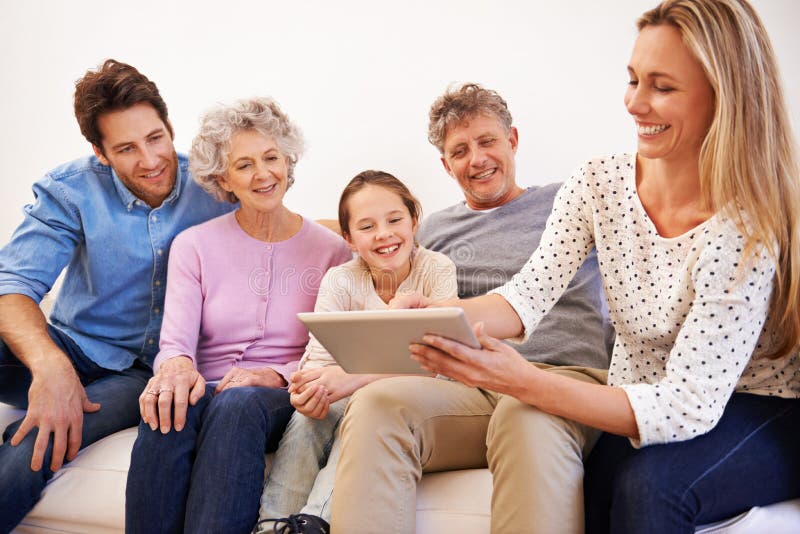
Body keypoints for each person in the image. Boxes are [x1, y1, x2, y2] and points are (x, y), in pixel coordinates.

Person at [367, 1, 800, 532]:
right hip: (638, 392)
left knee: (648, 490)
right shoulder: (599, 184)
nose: (635, 104)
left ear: (723, 97)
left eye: (662, 87)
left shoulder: (744, 228)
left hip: (755, 403)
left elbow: (688, 405)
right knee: (588, 491)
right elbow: (527, 293)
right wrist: (442, 314)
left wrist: (524, 381)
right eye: (633, 79)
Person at [330, 84, 612, 533]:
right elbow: (386, 294)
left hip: (559, 376)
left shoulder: (568, 204)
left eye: (487, 141)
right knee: (375, 405)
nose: (476, 159)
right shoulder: (431, 231)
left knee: (524, 416)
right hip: (469, 388)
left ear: (512, 140)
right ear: (446, 165)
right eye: (460, 150)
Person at [0, 59, 234, 530]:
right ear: (100, 152)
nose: (149, 160)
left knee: (38, 441)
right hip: (77, 345)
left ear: (170, 127)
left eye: (155, 138)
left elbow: (279, 237)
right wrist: (51, 367)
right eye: (126, 148)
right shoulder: (71, 190)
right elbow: (12, 285)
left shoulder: (217, 189)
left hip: (146, 372)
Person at [124, 96, 351, 534]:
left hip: (280, 397)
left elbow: (332, 351)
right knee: (165, 405)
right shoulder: (194, 245)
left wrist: (276, 374)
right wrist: (173, 369)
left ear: (289, 161)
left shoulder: (332, 252)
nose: (263, 174)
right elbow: (175, 342)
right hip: (209, 389)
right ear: (223, 178)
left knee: (239, 402)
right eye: (244, 165)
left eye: (271, 158)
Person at [254, 170, 457, 533]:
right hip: (346, 393)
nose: (383, 234)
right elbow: (317, 361)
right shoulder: (341, 280)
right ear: (348, 238)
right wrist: (308, 392)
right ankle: (271, 525)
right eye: (367, 227)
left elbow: (440, 364)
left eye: (394, 219)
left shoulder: (436, 270)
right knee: (308, 418)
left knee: (366, 410)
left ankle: (315, 521)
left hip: (405, 399)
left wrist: (350, 378)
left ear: (413, 220)